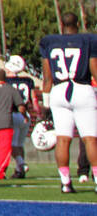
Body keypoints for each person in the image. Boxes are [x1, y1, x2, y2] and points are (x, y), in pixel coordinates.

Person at [38, 11, 97, 193]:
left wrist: (45, 104)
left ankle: (65, 182)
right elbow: (94, 69)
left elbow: (47, 78)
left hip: (59, 91)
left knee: (62, 139)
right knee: (90, 140)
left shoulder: (50, 42)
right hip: (82, 89)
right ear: (77, 24)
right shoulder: (88, 40)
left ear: (61, 26)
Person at [3, 54, 40, 179]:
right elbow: (34, 101)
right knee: (19, 144)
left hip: (12, 114)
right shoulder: (28, 81)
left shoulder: (6, 82)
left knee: (12, 145)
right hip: (25, 116)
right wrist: (38, 113)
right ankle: (20, 171)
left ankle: (21, 164)